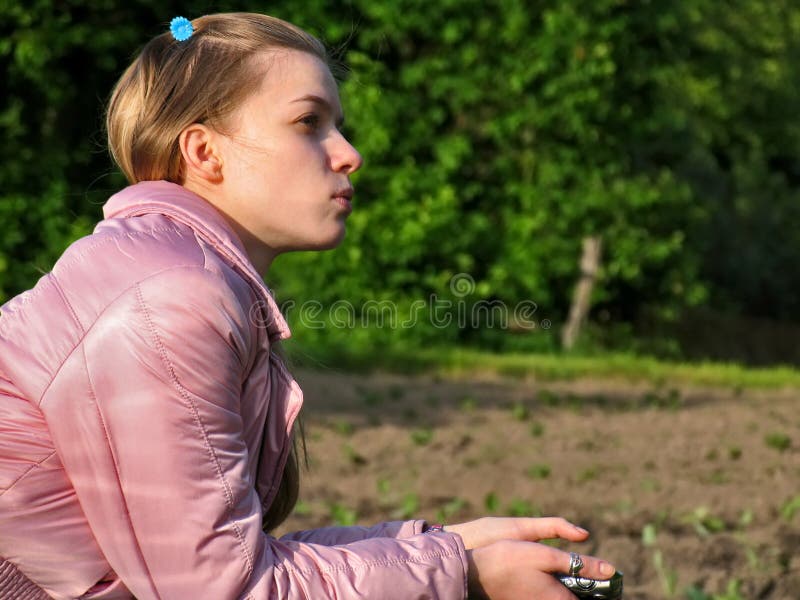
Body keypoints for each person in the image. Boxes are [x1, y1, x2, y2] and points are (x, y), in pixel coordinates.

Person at [0, 12, 617, 599]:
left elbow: (223, 565)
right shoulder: (168, 302)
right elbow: (224, 591)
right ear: (204, 153)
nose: (349, 153)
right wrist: (460, 573)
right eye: (308, 123)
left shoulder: (174, 276)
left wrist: (452, 547)